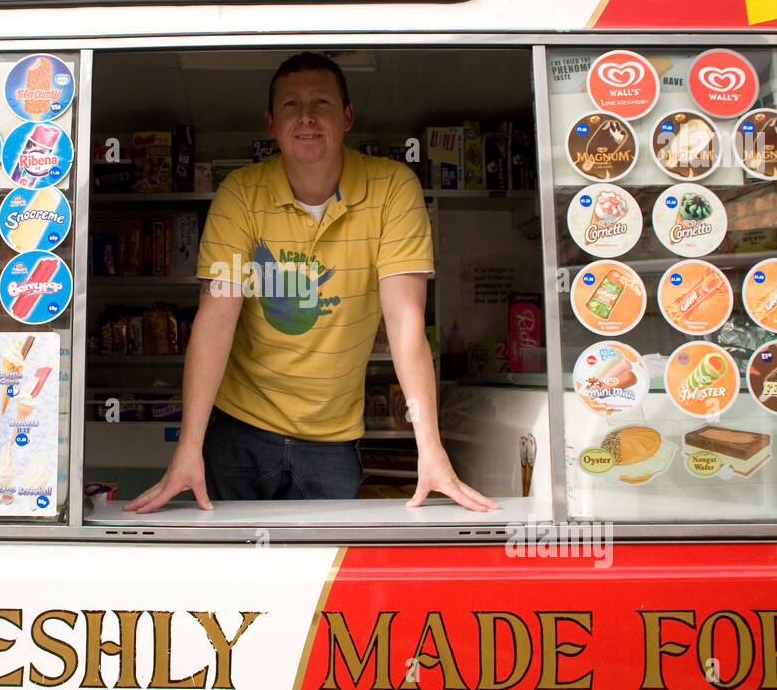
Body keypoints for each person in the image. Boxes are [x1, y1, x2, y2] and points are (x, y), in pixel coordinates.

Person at [125, 52, 498, 513]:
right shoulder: (239, 194)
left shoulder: (392, 189)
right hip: (238, 429)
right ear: (270, 123)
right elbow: (217, 319)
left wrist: (430, 447)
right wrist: (189, 447)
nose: (305, 116)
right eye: (290, 105)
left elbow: (405, 322)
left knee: (324, 573)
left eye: (321, 102)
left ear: (346, 117)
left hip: (332, 440)